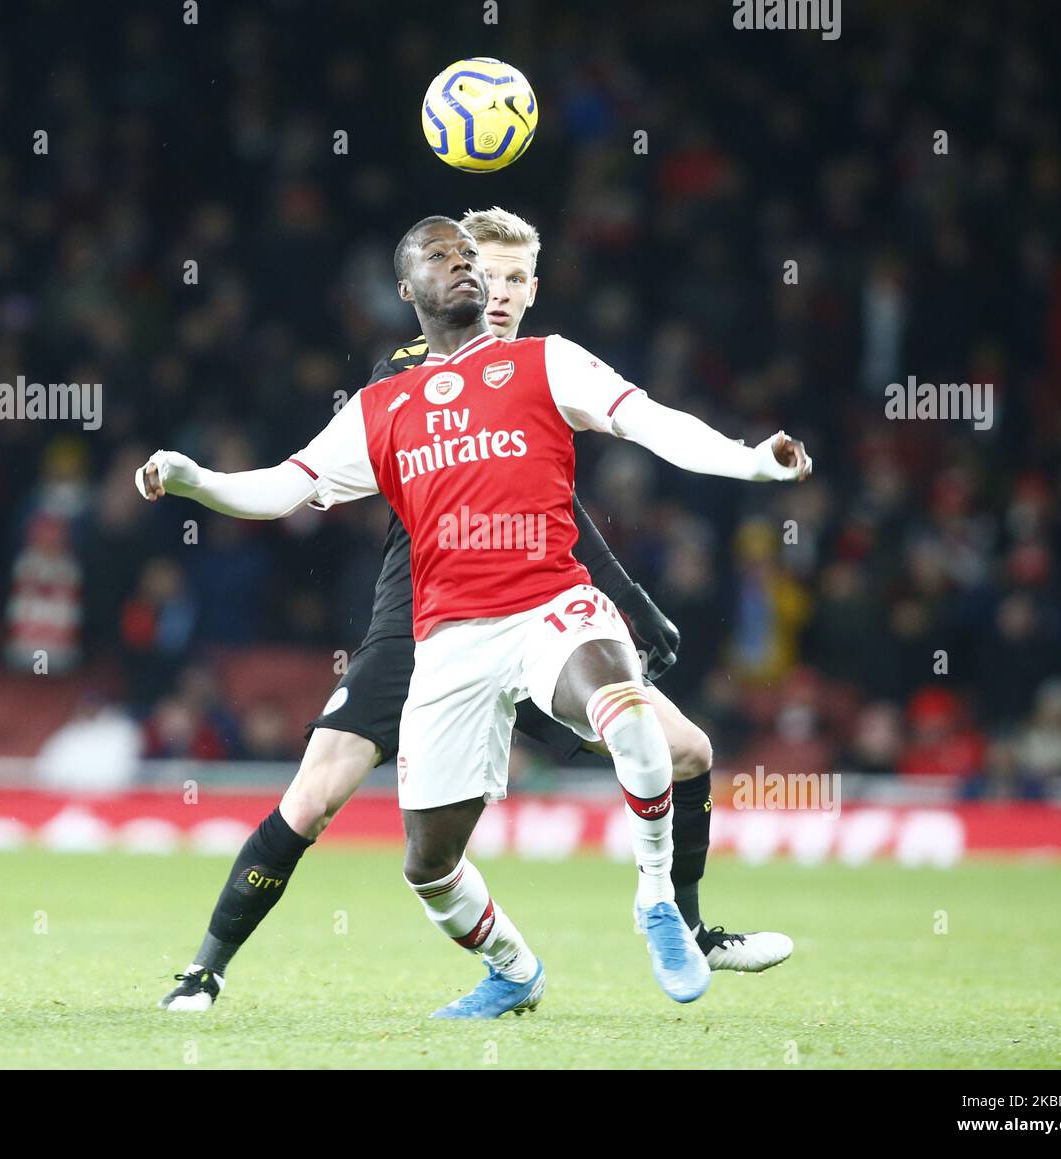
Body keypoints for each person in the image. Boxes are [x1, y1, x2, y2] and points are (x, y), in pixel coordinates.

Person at [138, 215, 811, 1018]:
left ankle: (660, 904)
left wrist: (747, 460)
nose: (469, 270)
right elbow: (284, 486)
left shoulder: (548, 362)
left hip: (551, 608)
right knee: (426, 863)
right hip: (442, 637)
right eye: (444, 258)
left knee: (634, 716)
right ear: (404, 291)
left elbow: (655, 422)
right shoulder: (383, 402)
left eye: (476, 260)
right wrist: (193, 478)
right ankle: (514, 968)